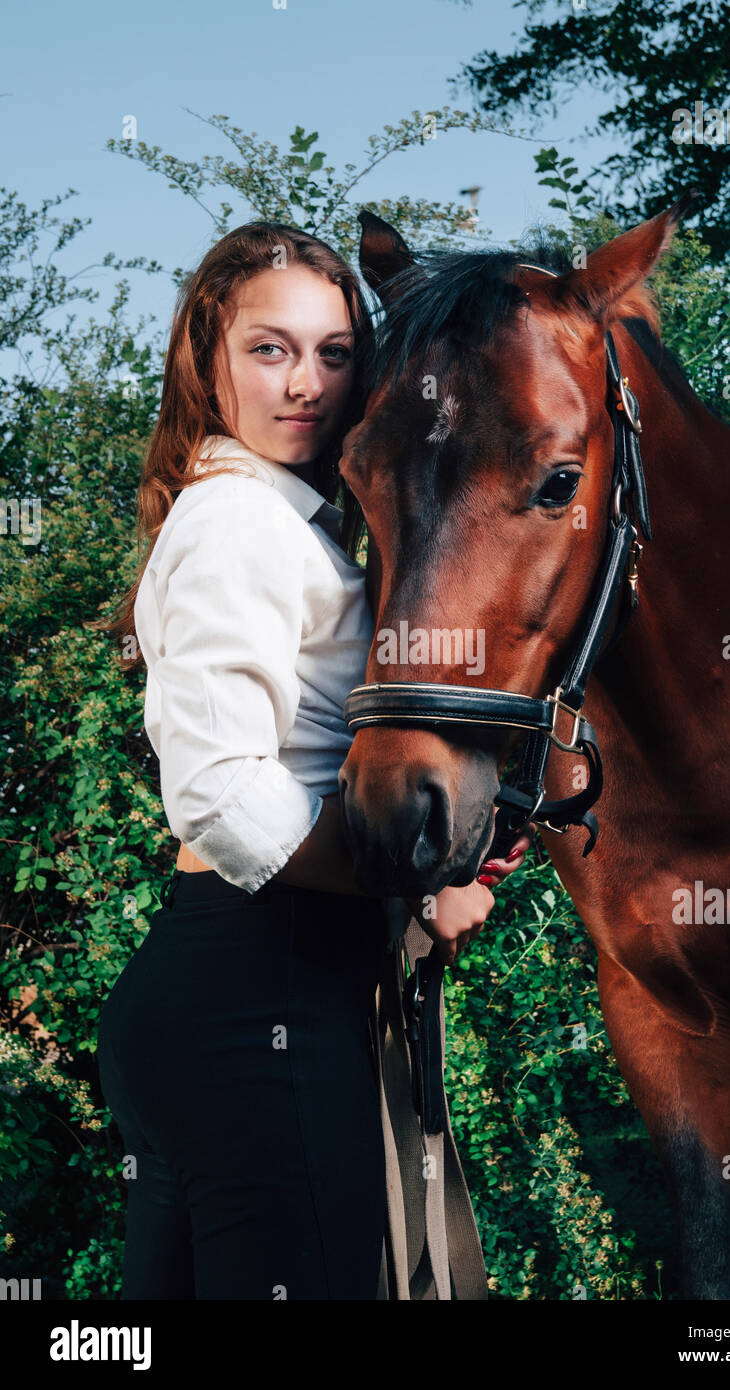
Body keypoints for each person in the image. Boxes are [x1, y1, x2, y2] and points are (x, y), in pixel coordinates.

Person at [94, 221, 532, 1300]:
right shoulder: (237, 519)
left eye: (335, 353)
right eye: (270, 348)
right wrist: (417, 879)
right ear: (207, 359)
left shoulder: (283, 523)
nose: (306, 384)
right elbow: (221, 793)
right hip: (258, 1000)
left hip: (229, 1001)